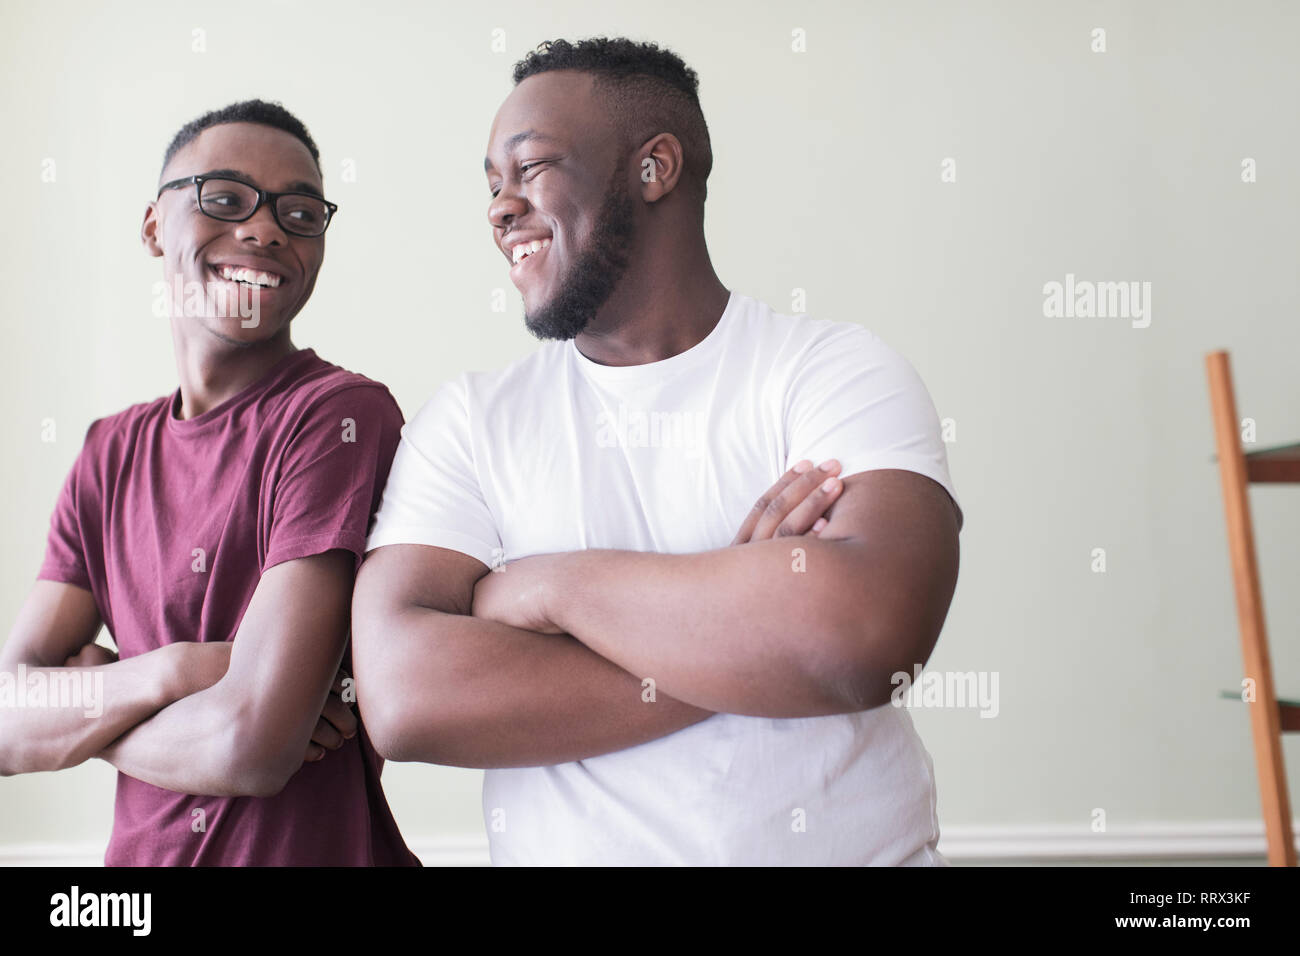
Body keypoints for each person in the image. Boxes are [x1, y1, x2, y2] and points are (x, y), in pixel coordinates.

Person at [353, 37, 964, 865]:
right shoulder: (468, 420)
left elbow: (862, 639)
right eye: (492, 184)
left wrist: (543, 589)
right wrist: (745, 630)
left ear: (655, 169)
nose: (499, 208)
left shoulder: (833, 371)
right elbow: (404, 697)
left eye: (530, 169)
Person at [0, 99, 418, 866]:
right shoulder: (108, 451)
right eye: (224, 199)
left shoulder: (339, 418)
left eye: (300, 214)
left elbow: (250, 744)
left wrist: (90, 706)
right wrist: (177, 671)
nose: (264, 229)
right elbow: (4, 720)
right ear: (155, 226)